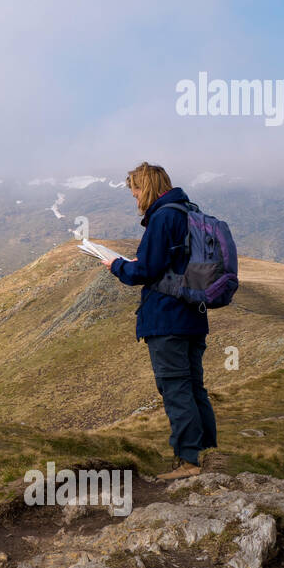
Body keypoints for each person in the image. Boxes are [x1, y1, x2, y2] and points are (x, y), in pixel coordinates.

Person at [103, 162, 217, 480]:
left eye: (135, 191)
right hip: (193, 315)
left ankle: (189, 462)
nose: (135, 198)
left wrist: (116, 265)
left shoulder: (163, 217)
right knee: (194, 387)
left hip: (167, 318)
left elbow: (145, 271)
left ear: (146, 188)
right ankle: (208, 454)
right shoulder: (189, 212)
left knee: (175, 387)